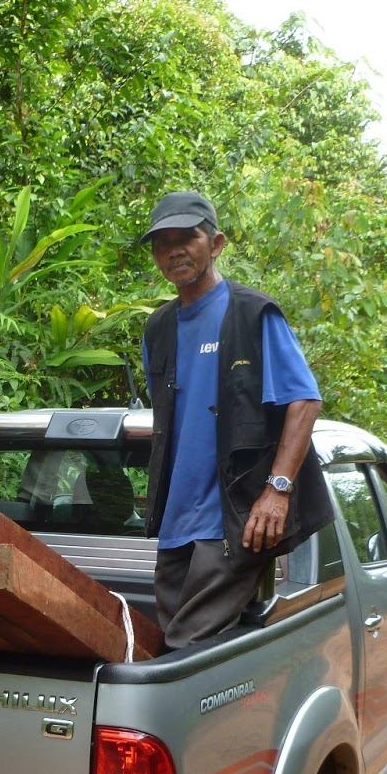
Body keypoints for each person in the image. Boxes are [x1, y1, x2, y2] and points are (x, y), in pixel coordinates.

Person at [139, 190, 335, 650]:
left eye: (186, 237)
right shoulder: (159, 328)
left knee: (184, 647)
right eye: (163, 243)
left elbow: (303, 401)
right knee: (173, 642)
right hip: (175, 522)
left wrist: (277, 492)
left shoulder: (251, 313)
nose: (175, 251)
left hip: (236, 518)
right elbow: (170, 425)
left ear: (216, 243)